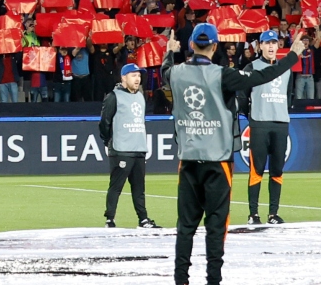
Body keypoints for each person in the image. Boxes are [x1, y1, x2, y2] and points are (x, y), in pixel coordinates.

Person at [168, 23, 300, 285]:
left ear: (191, 45)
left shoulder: (175, 72)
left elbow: (165, 70)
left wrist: (171, 52)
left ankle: (180, 279)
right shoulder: (223, 75)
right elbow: (262, 77)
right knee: (216, 226)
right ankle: (213, 280)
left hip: (189, 160)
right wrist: (293, 55)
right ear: (215, 47)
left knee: (185, 226)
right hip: (218, 161)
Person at [241, 29, 292, 224]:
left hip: (280, 124)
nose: (271, 46)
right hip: (260, 124)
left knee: (277, 169)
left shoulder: (285, 68)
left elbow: (289, 96)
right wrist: (252, 116)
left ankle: (273, 213)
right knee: (257, 169)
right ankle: (253, 214)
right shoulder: (251, 67)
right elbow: (243, 96)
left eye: (274, 43)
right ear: (260, 46)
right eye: (267, 43)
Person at [99, 63, 160, 228]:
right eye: (133, 75)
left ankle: (143, 219)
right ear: (123, 78)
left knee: (139, 188)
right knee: (116, 186)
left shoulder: (140, 96)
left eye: (139, 76)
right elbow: (104, 122)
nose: (137, 79)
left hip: (139, 148)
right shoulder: (114, 96)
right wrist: (108, 141)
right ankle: (110, 219)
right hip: (121, 149)